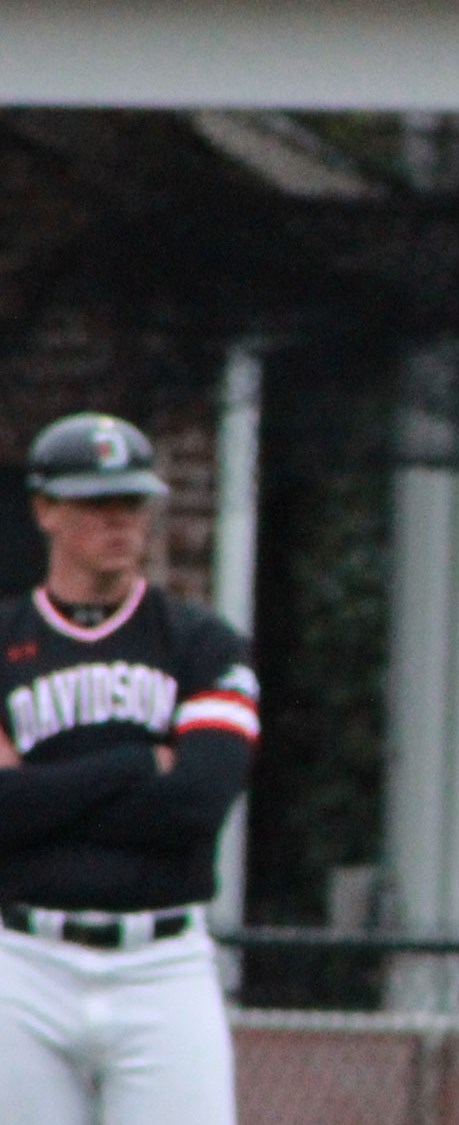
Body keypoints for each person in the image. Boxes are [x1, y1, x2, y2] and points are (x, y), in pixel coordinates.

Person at [0, 412, 260, 1125]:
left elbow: (196, 803)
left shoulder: (203, 644)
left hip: (162, 964)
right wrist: (134, 762)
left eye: (132, 502)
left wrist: (40, 790)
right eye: (95, 502)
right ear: (45, 509)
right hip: (23, 960)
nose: (119, 521)